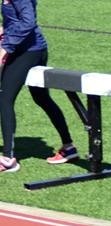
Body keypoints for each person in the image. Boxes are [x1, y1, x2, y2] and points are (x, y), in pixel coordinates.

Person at [0, 0, 77, 173]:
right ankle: (69, 147)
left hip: (28, 52)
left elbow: (28, 21)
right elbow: (17, 19)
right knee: (41, 98)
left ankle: (8, 159)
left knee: (4, 99)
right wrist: (4, 30)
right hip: (30, 49)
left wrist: (5, 47)